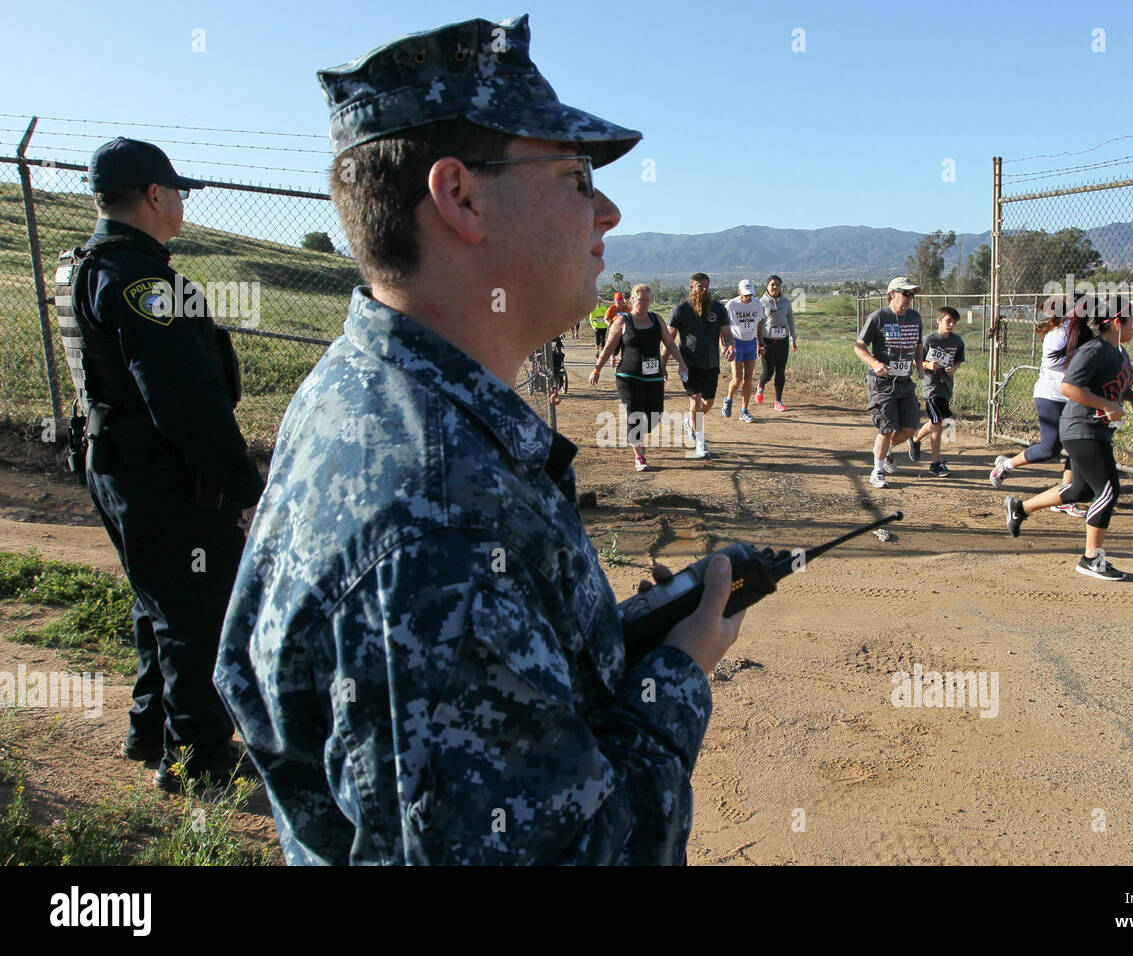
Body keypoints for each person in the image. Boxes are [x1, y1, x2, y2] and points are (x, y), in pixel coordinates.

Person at [214, 15, 744, 866]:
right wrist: (675, 676)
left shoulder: (367, 388)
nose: (608, 208)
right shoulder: (440, 523)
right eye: (576, 176)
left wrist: (611, 647)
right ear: (458, 196)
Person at [54, 138, 263, 792]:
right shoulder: (143, 282)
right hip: (162, 473)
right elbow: (184, 399)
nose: (180, 203)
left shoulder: (84, 266)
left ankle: (151, 729)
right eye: (176, 191)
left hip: (113, 463)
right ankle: (197, 760)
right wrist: (239, 484)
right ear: (152, 195)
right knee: (196, 612)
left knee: (159, 603)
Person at [1004, 294, 1133, 581]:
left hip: (1096, 430)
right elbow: (1069, 387)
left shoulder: (1119, 353)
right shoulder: (1094, 350)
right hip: (1081, 427)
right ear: (1117, 322)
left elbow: (1117, 383)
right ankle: (1091, 558)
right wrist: (1106, 405)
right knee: (1108, 489)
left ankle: (1021, 508)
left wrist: (1132, 397)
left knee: (1080, 490)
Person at [989, 294, 1081, 517]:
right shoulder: (1057, 334)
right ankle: (1006, 465)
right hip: (1050, 396)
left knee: (1077, 445)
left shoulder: (1080, 334)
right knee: (1050, 448)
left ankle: (1065, 496)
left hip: (1074, 398)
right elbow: (1057, 363)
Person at [590, 283, 691, 470]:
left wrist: (682, 363)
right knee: (635, 412)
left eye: (646, 300)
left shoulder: (656, 319)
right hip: (628, 375)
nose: (644, 303)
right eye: (640, 299)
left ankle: (634, 435)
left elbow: (669, 342)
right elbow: (609, 347)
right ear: (632, 300)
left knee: (656, 414)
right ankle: (639, 456)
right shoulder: (622, 321)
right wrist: (597, 369)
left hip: (653, 376)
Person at [854, 276, 924, 488]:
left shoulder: (915, 317)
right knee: (885, 428)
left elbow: (919, 344)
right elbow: (859, 346)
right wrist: (875, 363)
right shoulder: (878, 317)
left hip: (904, 382)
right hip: (881, 383)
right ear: (892, 294)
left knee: (910, 428)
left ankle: (885, 452)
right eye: (906, 293)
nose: (909, 298)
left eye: (912, 294)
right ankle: (877, 471)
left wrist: (919, 364)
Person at [668, 273, 734, 458]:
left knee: (709, 402)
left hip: (711, 363)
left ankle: (690, 421)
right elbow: (669, 339)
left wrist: (730, 346)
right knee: (695, 399)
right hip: (688, 364)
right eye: (699, 286)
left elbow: (727, 333)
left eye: (706, 286)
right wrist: (663, 364)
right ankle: (700, 442)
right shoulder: (680, 310)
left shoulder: (718, 308)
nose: (704, 290)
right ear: (691, 287)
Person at [909, 306, 964, 478]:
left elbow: (958, 361)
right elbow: (915, 361)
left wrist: (953, 369)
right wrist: (926, 365)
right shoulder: (928, 340)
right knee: (938, 424)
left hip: (946, 387)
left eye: (954, 322)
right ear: (939, 320)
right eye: (948, 321)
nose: (951, 325)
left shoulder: (957, 341)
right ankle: (936, 463)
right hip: (931, 387)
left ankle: (916, 439)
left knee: (937, 423)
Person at [722, 279, 764, 422]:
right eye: (745, 294)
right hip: (736, 342)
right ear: (739, 292)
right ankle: (728, 399)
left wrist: (760, 343)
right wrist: (724, 345)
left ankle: (744, 410)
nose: (748, 297)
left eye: (750, 294)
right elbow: (723, 327)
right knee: (738, 378)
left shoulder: (758, 304)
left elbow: (759, 324)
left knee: (749, 378)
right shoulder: (731, 305)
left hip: (751, 342)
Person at [757, 274, 796, 410]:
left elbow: (791, 321)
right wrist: (759, 344)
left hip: (782, 341)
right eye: (772, 284)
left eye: (778, 284)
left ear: (781, 287)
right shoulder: (761, 303)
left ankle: (778, 401)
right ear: (767, 286)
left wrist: (793, 340)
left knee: (780, 371)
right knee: (768, 372)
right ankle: (761, 385)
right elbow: (759, 324)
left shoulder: (786, 303)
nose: (775, 287)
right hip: (767, 342)